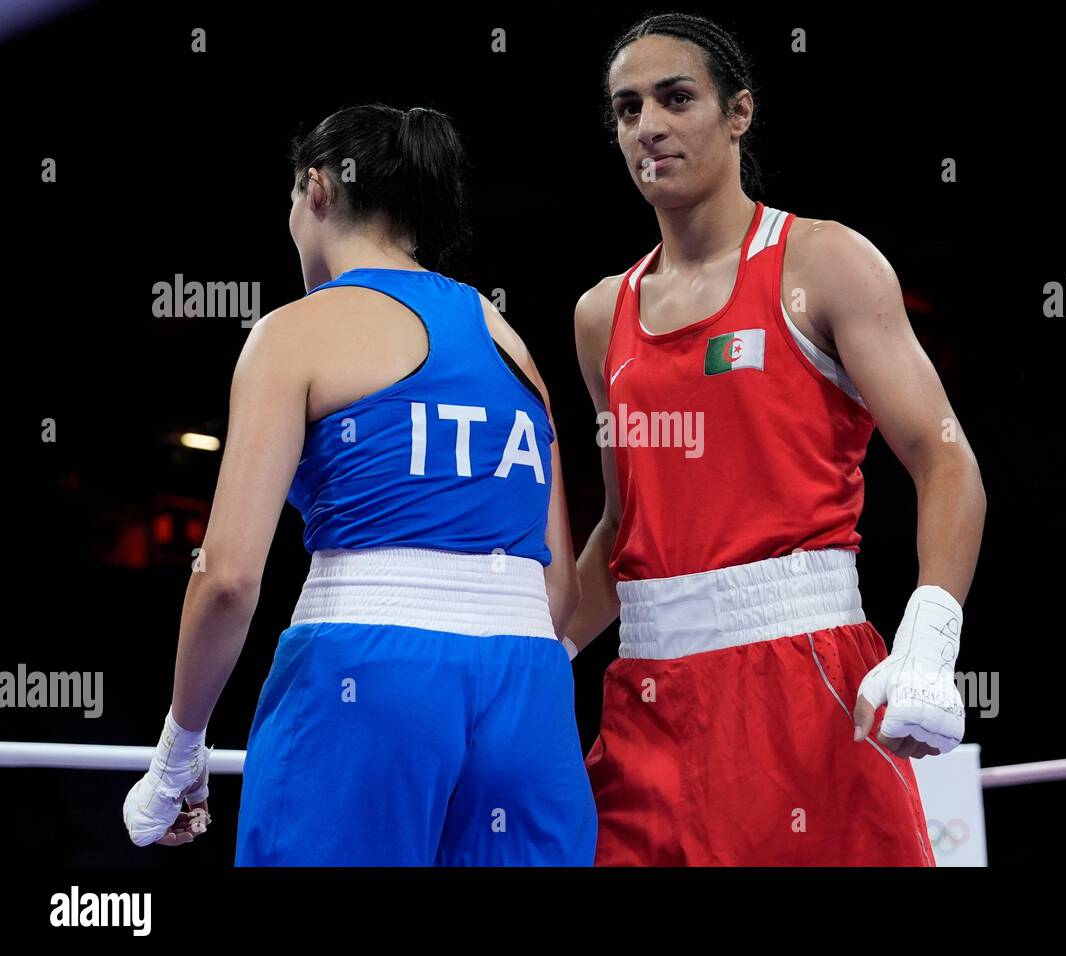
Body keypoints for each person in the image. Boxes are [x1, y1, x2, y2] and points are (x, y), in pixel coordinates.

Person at [122, 104, 597, 866]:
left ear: (315, 190)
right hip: (530, 694)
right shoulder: (512, 344)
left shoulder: (295, 331)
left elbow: (230, 579)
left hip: (365, 676)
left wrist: (179, 751)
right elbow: (561, 590)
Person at [566, 14, 987, 865]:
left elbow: (946, 460)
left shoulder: (822, 262)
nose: (648, 125)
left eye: (676, 98)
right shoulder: (600, 313)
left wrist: (930, 639)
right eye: (627, 107)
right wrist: (532, 664)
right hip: (645, 699)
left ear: (738, 113)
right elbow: (623, 530)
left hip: (802, 678)